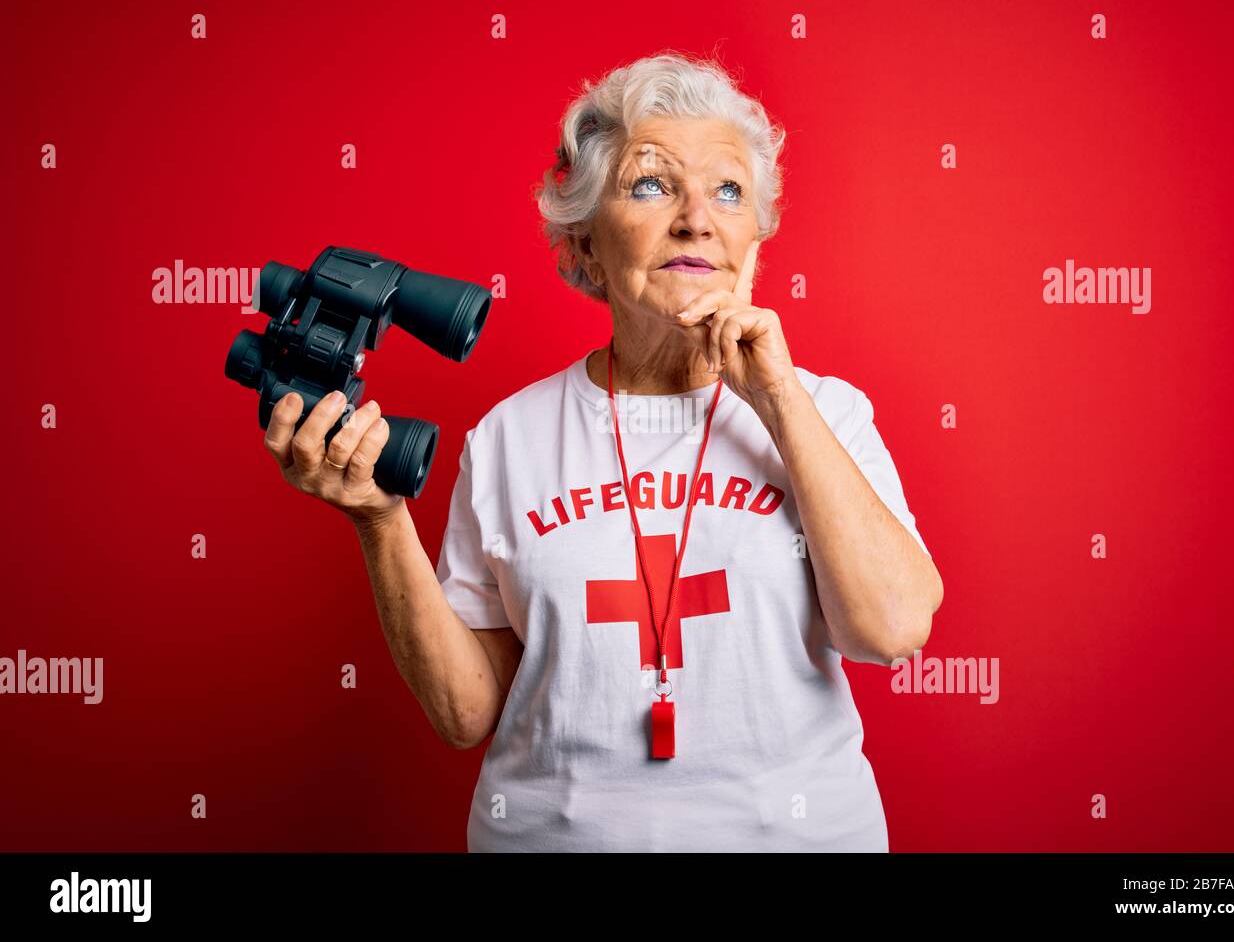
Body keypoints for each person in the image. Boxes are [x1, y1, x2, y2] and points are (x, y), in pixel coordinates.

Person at [262, 51, 943, 851]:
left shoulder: (824, 411)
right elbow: (467, 712)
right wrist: (380, 523)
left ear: (754, 237)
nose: (697, 217)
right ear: (585, 245)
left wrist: (777, 402)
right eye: (652, 185)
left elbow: (893, 629)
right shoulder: (510, 437)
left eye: (728, 191)